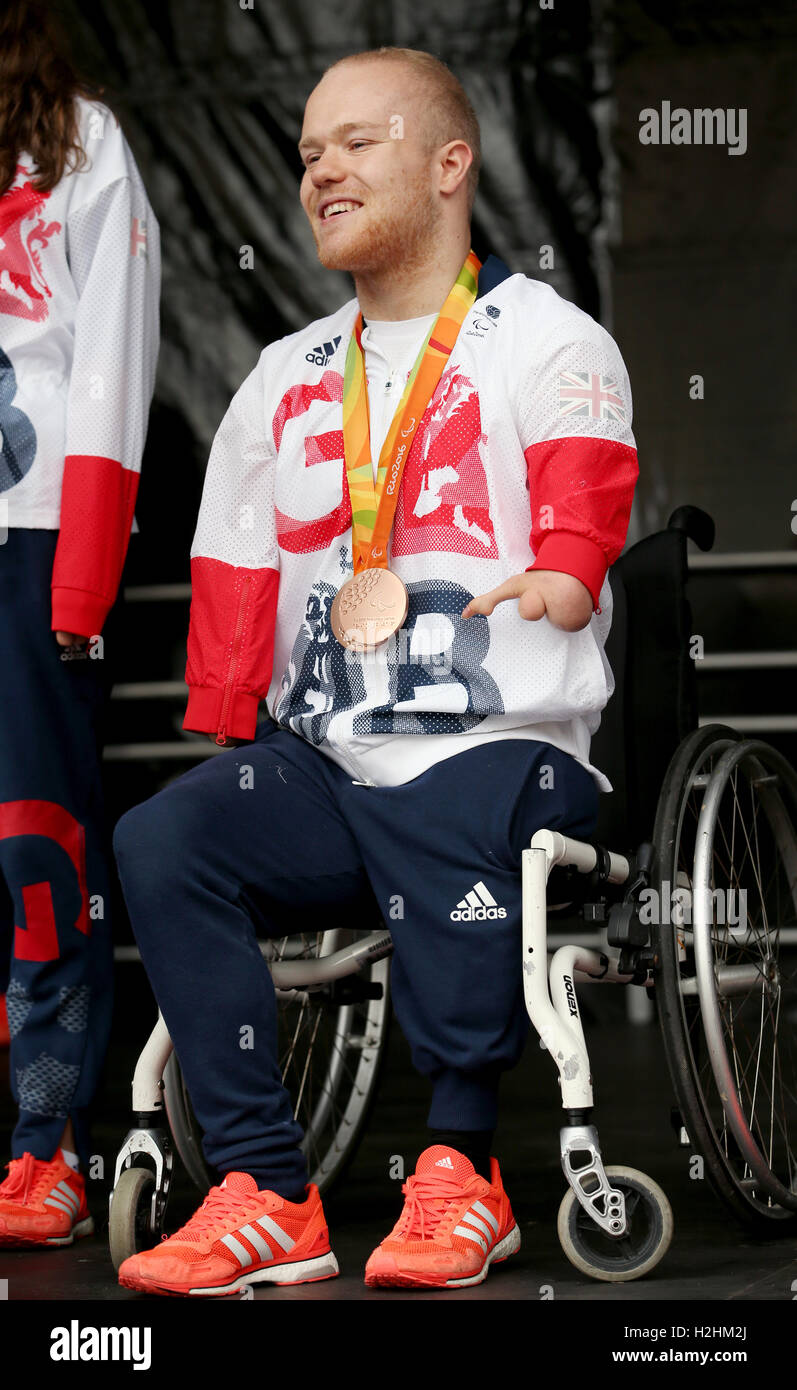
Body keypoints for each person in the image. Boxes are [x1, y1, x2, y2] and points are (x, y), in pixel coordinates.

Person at [113, 45, 637, 1296]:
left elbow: (586, 473)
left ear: (451, 164)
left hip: (504, 751)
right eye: (304, 153)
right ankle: (264, 1192)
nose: (320, 171)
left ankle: (464, 1169)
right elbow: (232, 558)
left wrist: (566, 565)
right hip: (334, 757)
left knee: (441, 793)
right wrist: (228, 707)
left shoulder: (545, 337)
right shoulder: (284, 372)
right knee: (163, 838)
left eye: (356, 141)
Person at [0, 0, 160, 1247]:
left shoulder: (76, 143)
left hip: (34, 526)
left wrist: (84, 571)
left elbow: (111, 348)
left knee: (35, 840)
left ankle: (46, 1142)